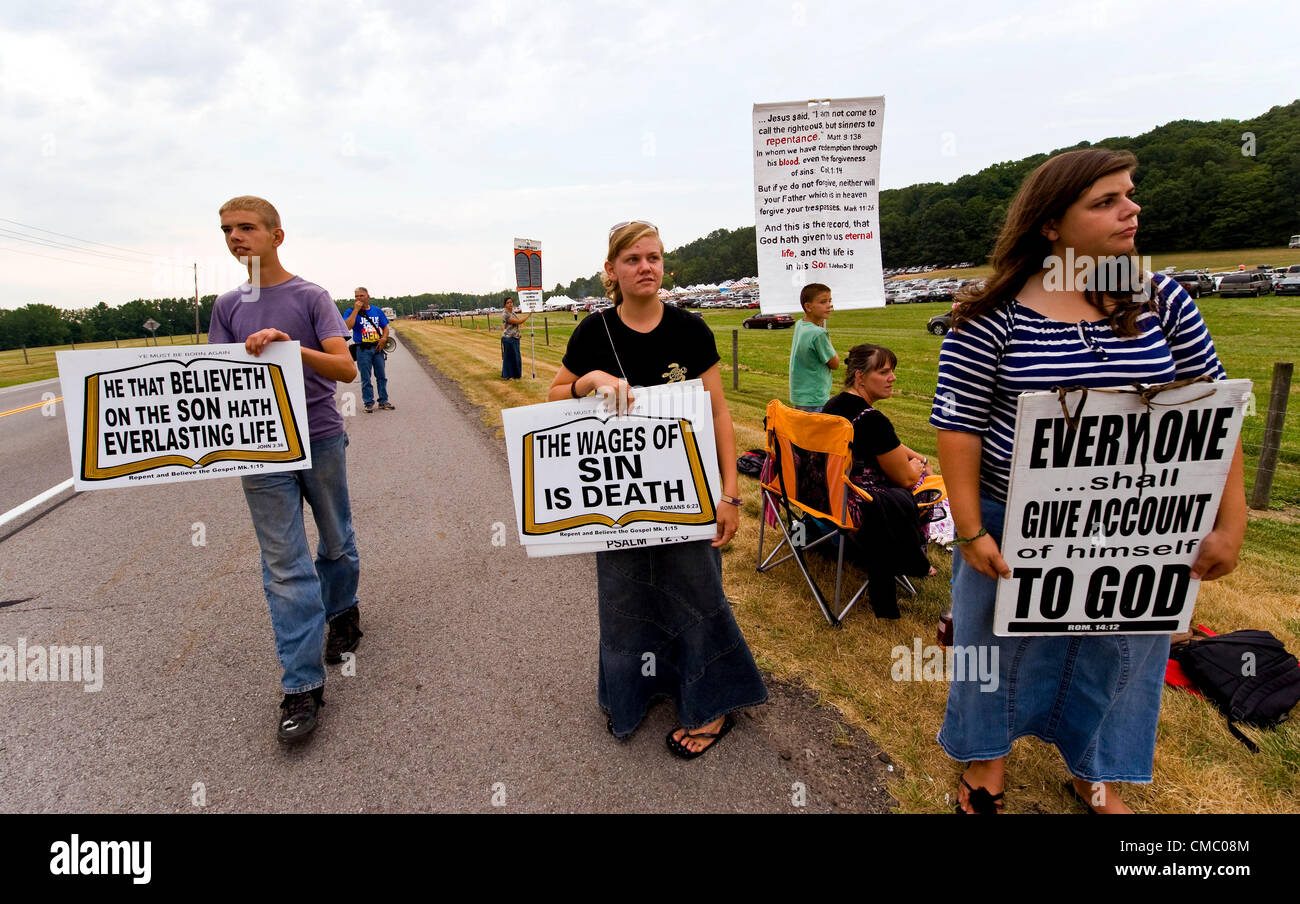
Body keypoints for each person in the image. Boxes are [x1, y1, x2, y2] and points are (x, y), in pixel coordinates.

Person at [930, 148, 1245, 814]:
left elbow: (1213, 407)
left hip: (1143, 523)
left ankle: (1094, 770)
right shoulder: (992, 314)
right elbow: (958, 425)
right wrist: (970, 528)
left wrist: (1230, 518)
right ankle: (987, 762)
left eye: (1129, 194)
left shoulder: (1162, 298)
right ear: (1051, 224)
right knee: (993, 647)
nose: (1130, 209)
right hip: (1013, 516)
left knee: (1121, 652)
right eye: (1105, 201)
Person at [548, 220, 768, 757]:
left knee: (696, 594)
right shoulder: (592, 333)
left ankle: (712, 703)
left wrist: (730, 494)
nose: (646, 267)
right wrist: (589, 381)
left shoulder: (690, 329)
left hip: (688, 495)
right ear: (611, 271)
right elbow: (554, 398)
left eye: (654, 257)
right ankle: (635, 693)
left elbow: (718, 412)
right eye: (633, 259)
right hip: (617, 502)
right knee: (625, 599)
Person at [209, 196, 364, 743]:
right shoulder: (226, 306)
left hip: (318, 436)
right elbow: (216, 379)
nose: (235, 237)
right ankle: (302, 686)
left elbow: (345, 368)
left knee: (335, 541)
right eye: (227, 229)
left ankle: (343, 607)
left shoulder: (311, 295)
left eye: (247, 228)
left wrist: (289, 348)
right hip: (258, 449)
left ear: (277, 235)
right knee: (283, 564)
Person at [822, 343, 934, 618]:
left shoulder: (836, 406)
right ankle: (914, 559)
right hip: (857, 506)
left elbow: (889, 445)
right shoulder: (872, 421)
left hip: (824, 497)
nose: (892, 378)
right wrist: (920, 465)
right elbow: (906, 478)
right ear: (860, 376)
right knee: (927, 491)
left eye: (892, 371)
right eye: (884, 372)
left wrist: (916, 455)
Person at [788, 282, 839, 412]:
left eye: (829, 301)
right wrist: (827, 337)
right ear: (808, 306)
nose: (828, 305)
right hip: (815, 397)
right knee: (817, 432)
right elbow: (834, 364)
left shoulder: (800, 324)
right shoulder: (819, 333)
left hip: (801, 394)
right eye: (823, 302)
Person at [344, 287, 394, 412]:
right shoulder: (350, 311)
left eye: (361, 296)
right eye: (356, 296)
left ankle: (383, 401)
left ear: (368, 296)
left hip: (377, 347)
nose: (358, 298)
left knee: (381, 376)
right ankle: (368, 402)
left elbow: (385, 327)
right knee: (366, 377)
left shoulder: (376, 310)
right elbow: (347, 327)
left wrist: (384, 338)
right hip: (362, 348)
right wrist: (355, 310)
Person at [501, 297, 531, 380]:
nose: (510, 304)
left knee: (516, 358)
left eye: (511, 302)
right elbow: (518, 322)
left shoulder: (513, 313)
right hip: (508, 338)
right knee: (509, 358)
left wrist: (518, 334)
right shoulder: (505, 314)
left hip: (515, 338)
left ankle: (516, 375)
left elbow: (515, 326)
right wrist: (528, 315)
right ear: (505, 305)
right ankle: (508, 376)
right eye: (508, 302)